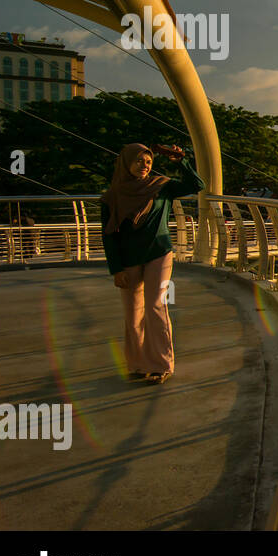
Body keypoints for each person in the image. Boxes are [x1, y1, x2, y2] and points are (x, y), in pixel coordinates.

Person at [100, 142, 203, 385]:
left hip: (159, 252)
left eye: (148, 162)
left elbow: (197, 185)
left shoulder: (161, 187)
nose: (144, 166)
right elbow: (109, 236)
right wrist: (115, 269)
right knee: (133, 312)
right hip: (128, 259)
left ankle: (161, 364)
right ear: (126, 163)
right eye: (138, 161)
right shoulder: (112, 197)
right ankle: (138, 365)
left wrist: (181, 162)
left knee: (156, 306)